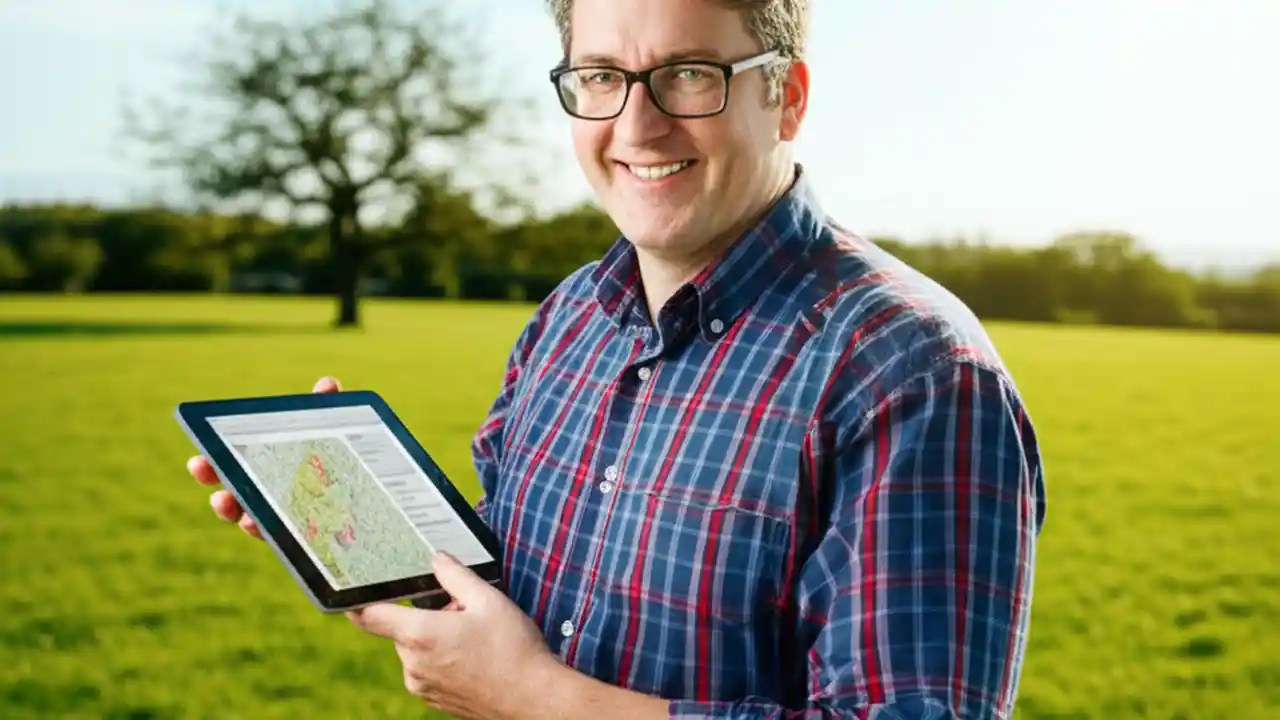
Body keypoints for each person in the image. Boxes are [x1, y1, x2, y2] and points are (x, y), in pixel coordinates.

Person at [186, 0, 1048, 717]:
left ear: (786, 97)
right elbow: (530, 589)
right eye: (600, 77)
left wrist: (538, 699)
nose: (637, 124)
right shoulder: (571, 317)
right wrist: (353, 529)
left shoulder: (912, 370)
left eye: (688, 74)